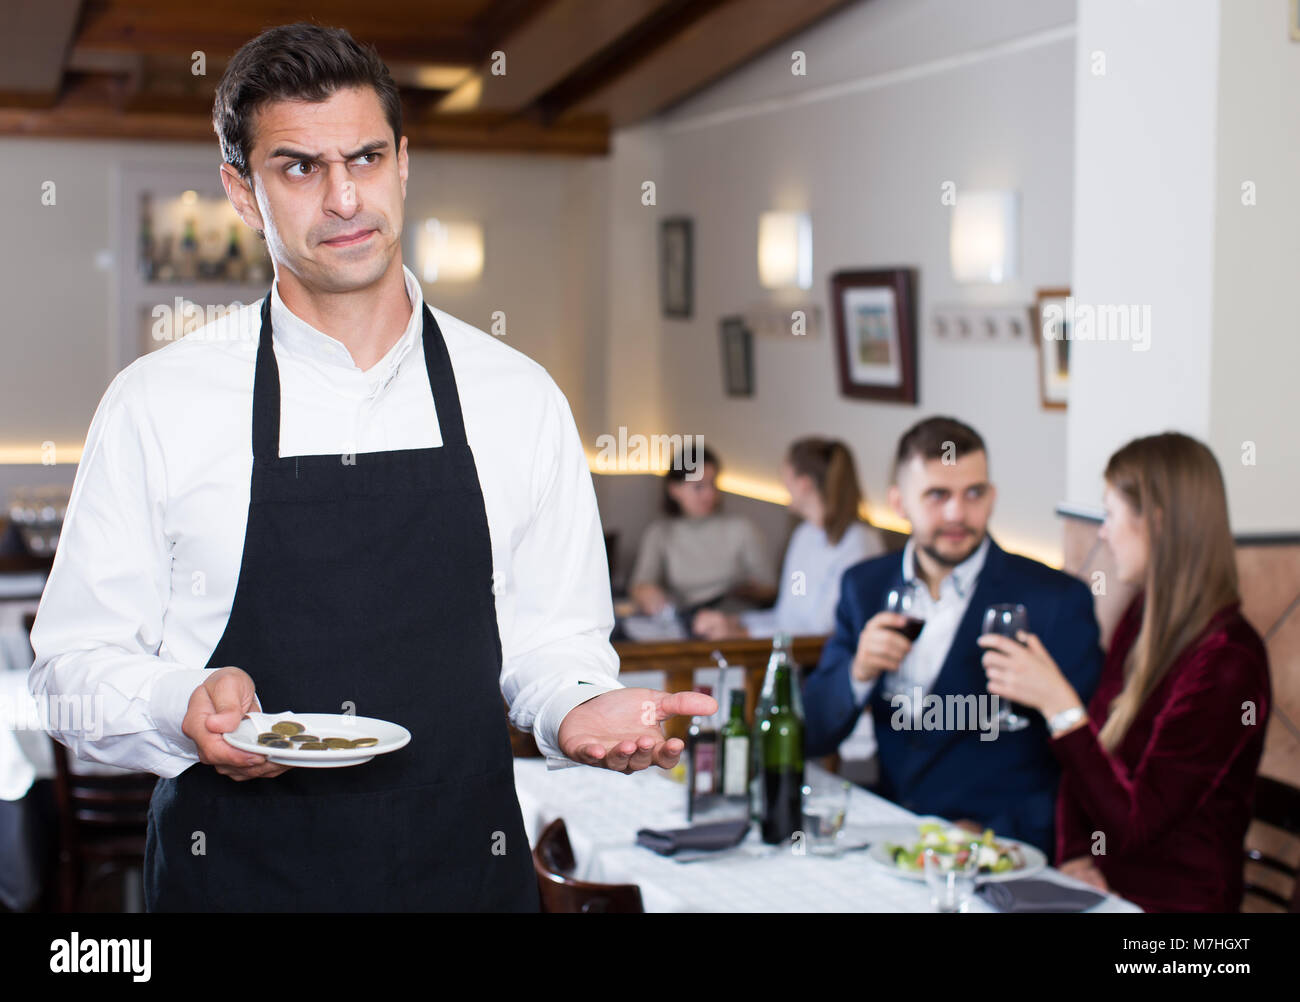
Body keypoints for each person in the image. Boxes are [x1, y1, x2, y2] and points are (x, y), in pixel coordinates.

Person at [27, 23, 714, 913]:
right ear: (242, 192)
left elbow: (551, 643)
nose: (345, 197)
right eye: (299, 167)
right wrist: (176, 701)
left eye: (365, 156)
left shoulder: (518, 395)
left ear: (402, 162)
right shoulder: (158, 402)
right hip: (236, 879)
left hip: (463, 873)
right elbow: (67, 673)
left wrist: (575, 708)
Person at [978, 432, 1270, 911]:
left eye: (1110, 514)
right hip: (1102, 892)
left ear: (1155, 522)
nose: (1102, 532)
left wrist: (1060, 708)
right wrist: (1075, 857)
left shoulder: (1229, 660)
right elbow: (1092, 758)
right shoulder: (1141, 618)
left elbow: (1136, 822)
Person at [802, 416, 1103, 853]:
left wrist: (998, 835)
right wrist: (858, 671)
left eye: (973, 494)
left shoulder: (1055, 601)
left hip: (1007, 850)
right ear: (899, 502)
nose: (957, 514)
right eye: (937, 495)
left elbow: (1088, 757)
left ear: (992, 497)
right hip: (891, 840)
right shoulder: (863, 587)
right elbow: (814, 732)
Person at [693, 437, 885, 639]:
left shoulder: (859, 545)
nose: (783, 487)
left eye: (786, 479)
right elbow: (788, 615)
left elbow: (823, 630)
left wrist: (744, 633)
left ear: (804, 484)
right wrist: (733, 621)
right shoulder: (804, 536)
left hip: (818, 660)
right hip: (786, 647)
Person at [629, 445, 777, 618]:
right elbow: (640, 585)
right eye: (699, 487)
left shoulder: (741, 529)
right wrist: (648, 594)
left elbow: (770, 589)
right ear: (674, 490)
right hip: (686, 621)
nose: (710, 495)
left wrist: (745, 591)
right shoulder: (660, 533)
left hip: (734, 621)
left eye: (713, 485)